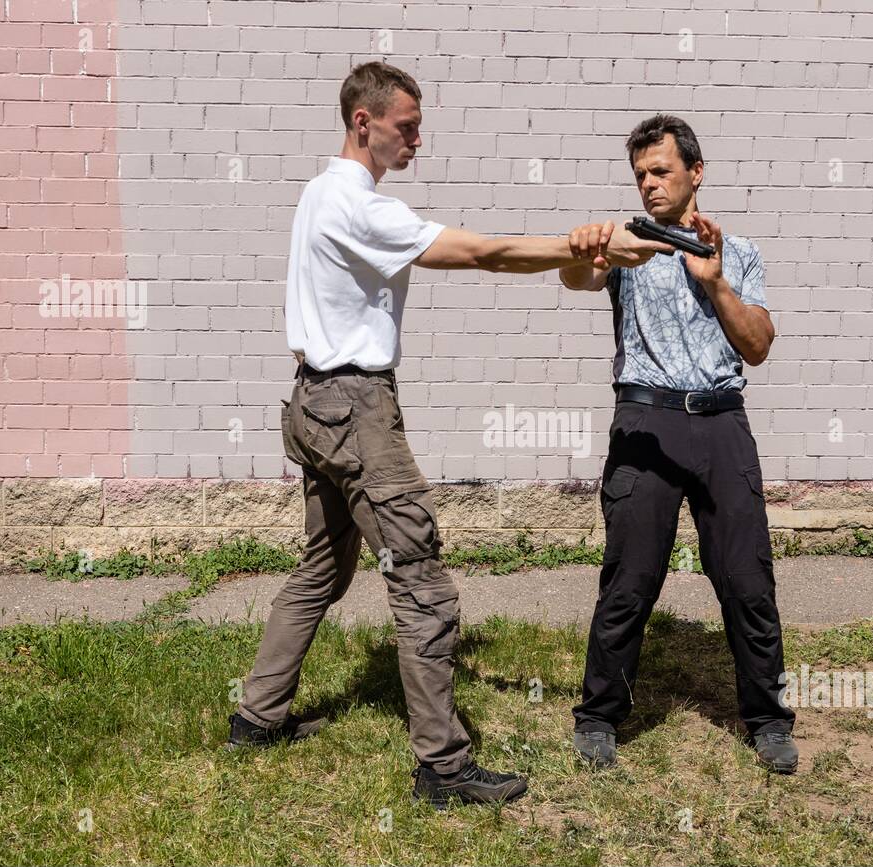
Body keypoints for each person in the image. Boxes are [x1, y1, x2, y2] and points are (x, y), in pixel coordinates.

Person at [226, 62, 670, 810]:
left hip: (312, 407)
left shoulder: (318, 192)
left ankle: (255, 718)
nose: (417, 140)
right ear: (363, 122)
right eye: (406, 126)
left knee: (322, 570)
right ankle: (443, 766)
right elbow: (484, 253)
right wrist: (579, 248)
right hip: (355, 411)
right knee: (424, 588)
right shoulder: (360, 206)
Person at [558, 114, 798, 774]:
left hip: (721, 424)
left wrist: (714, 281)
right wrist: (582, 253)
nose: (648, 184)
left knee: (747, 581)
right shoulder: (629, 245)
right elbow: (578, 278)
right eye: (639, 174)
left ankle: (769, 719)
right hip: (645, 425)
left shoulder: (738, 253)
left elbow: (758, 346)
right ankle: (599, 717)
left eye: (660, 170)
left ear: (696, 172)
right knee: (630, 580)